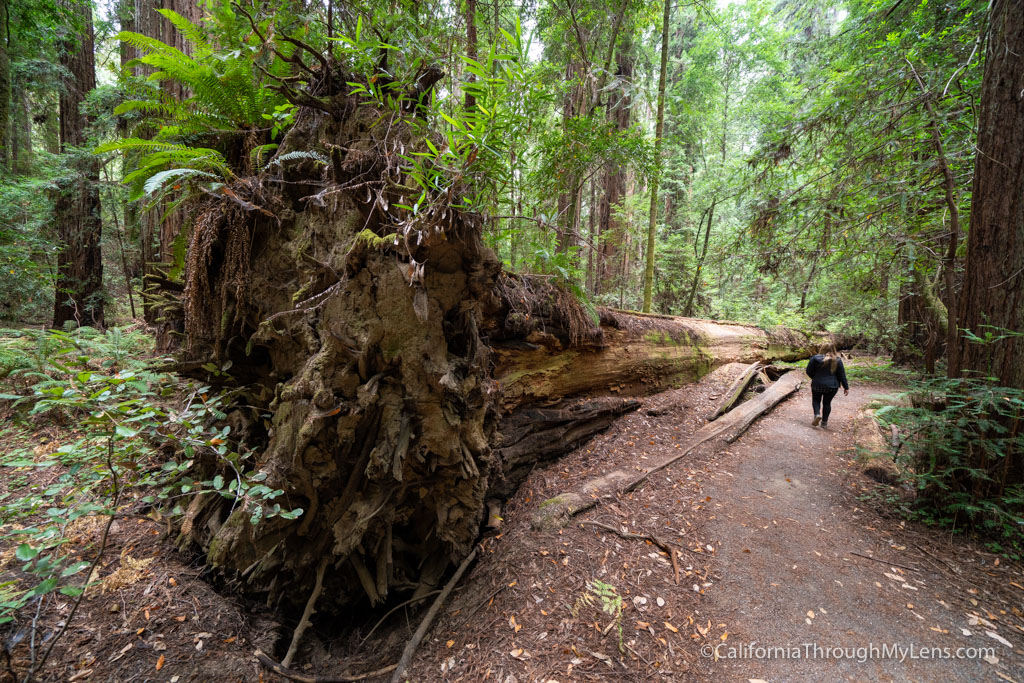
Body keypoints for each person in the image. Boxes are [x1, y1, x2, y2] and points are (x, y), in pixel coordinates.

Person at [805, 342, 849, 428]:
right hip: (832, 386)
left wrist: (815, 377)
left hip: (817, 384)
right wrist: (846, 387)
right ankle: (824, 423)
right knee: (827, 403)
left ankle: (817, 415)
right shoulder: (838, 360)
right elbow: (842, 375)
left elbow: (808, 371)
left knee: (816, 400)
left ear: (822, 348)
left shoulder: (814, 358)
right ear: (834, 349)